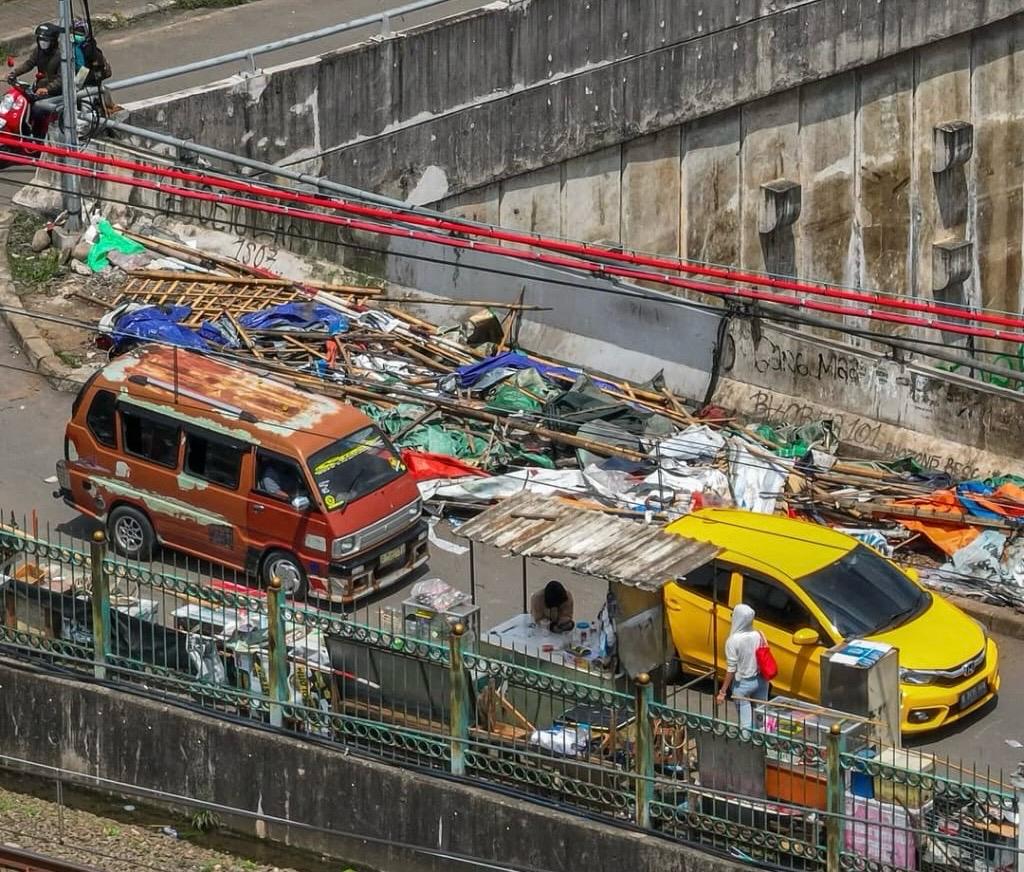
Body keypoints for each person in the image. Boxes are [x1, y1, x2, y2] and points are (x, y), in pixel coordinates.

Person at [715, 604, 769, 730]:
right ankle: (766, 745)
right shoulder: (758, 635)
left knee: (745, 724)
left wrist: (722, 692)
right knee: (762, 718)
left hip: (742, 685)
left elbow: (731, 669)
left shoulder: (733, 641)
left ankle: (748, 746)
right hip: (761, 680)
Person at [8, 23, 64, 136]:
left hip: (54, 93)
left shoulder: (61, 56)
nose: (42, 42)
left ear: (53, 41)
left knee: (37, 110)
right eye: (41, 39)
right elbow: (29, 64)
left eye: (46, 40)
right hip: (38, 88)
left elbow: (61, 79)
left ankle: (38, 137)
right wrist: (14, 73)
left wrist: (47, 89)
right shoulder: (39, 51)